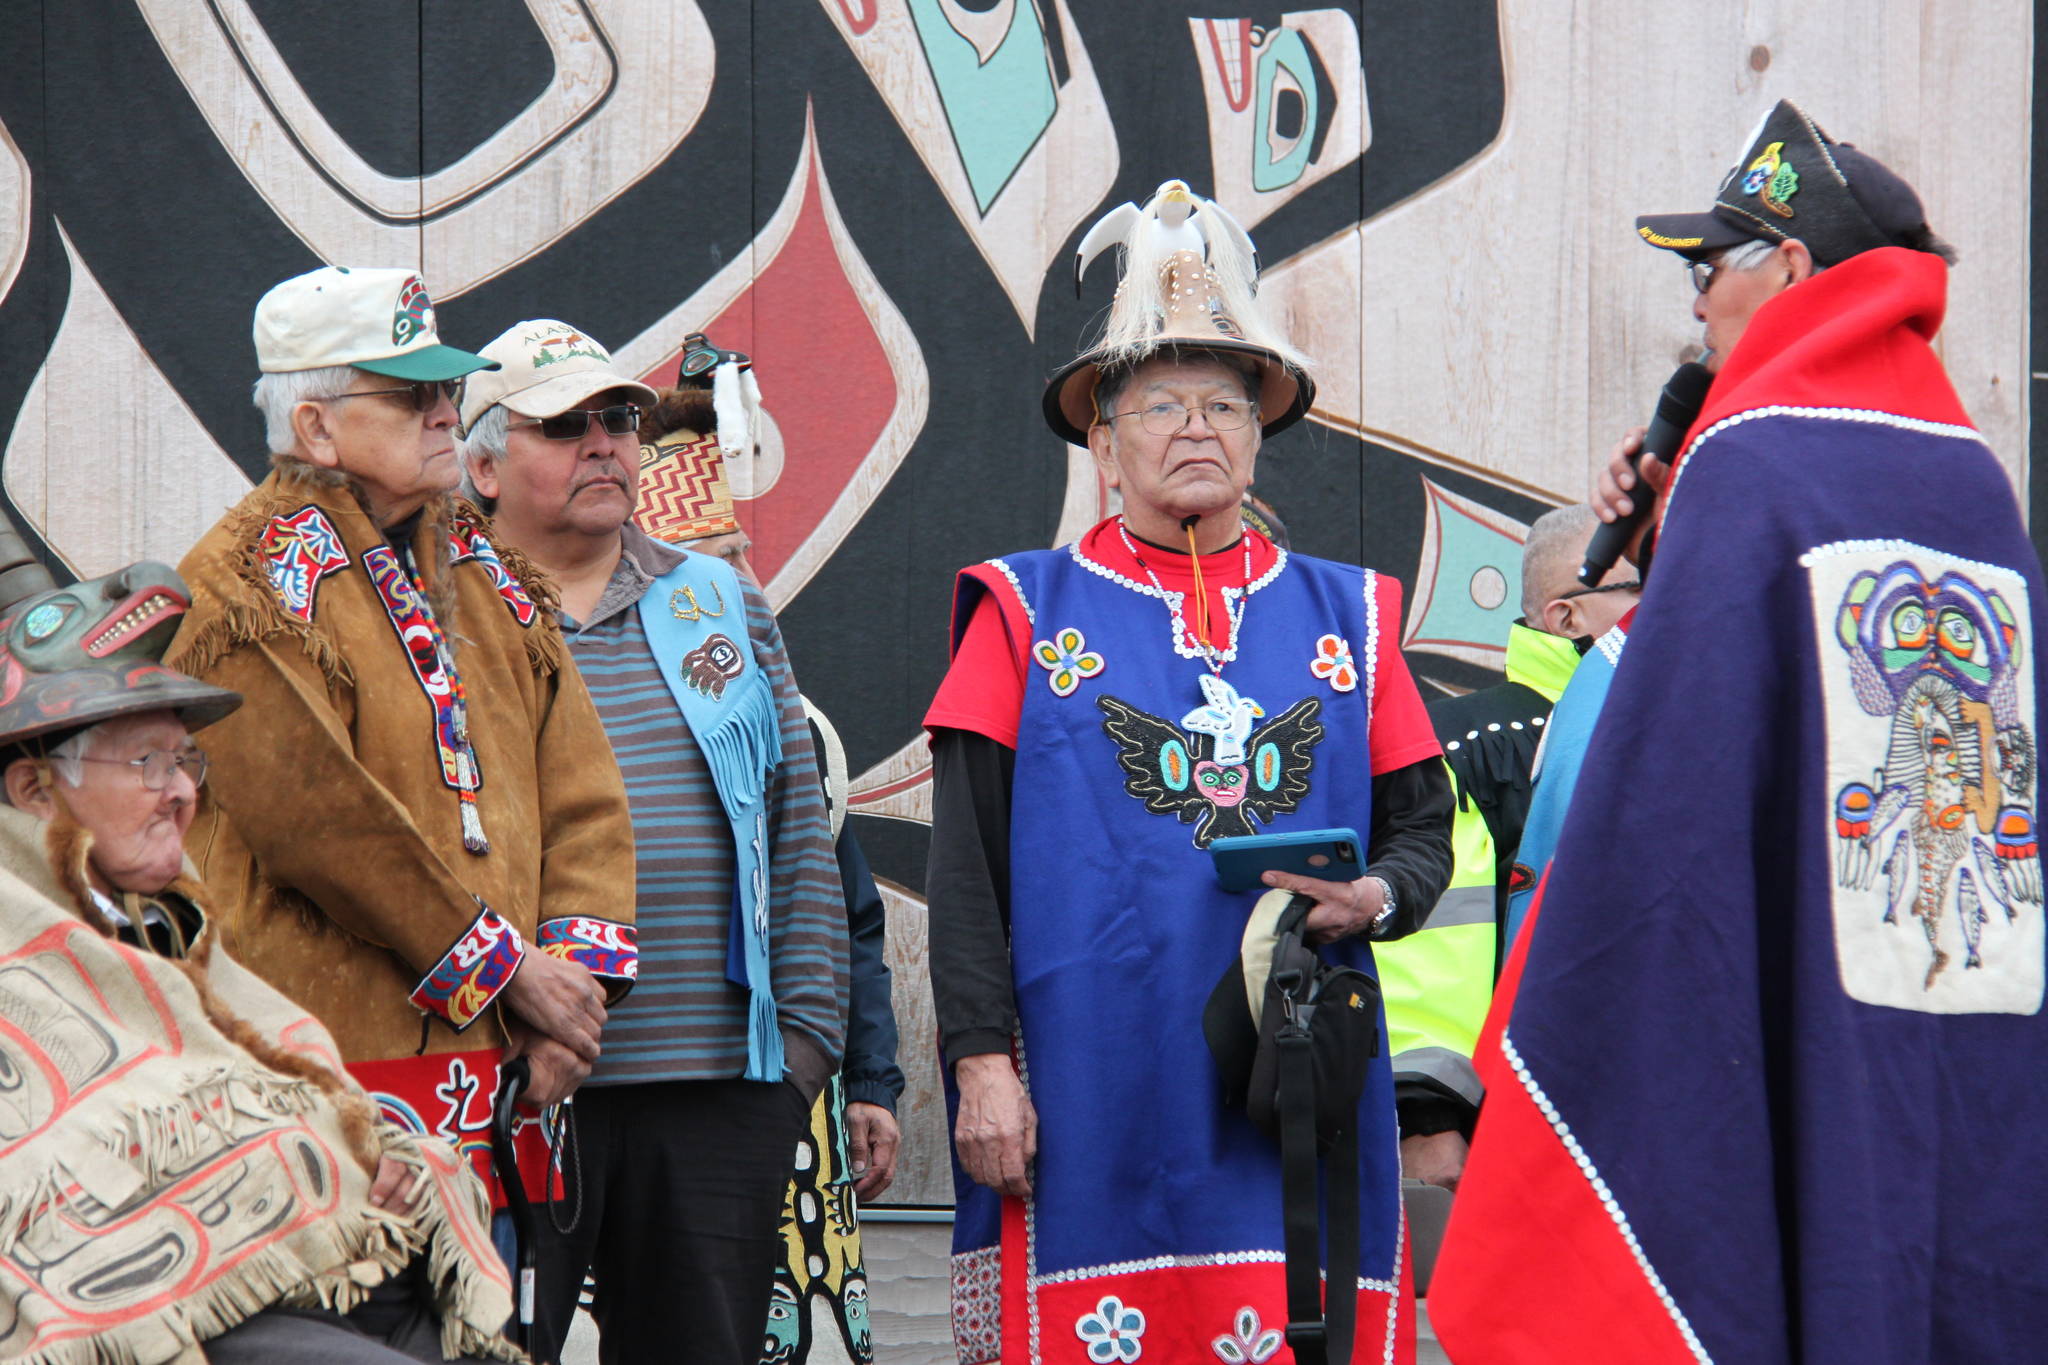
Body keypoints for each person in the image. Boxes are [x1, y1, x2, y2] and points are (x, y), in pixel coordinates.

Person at [1432, 100, 2048, 1363]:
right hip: (1966, 971)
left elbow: (1678, 789)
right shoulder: (1969, 479)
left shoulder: (1753, 461)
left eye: (1707, 270)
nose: (1695, 306)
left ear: (1793, 269)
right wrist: (1671, 530)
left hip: (1799, 983)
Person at [924, 179, 1453, 1362]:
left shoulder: (1352, 618)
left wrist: (1372, 896)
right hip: (1084, 1086)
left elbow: (1423, 830)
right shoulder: (1024, 612)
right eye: (1160, 404)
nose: (1196, 428)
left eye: (1223, 403)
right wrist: (978, 1066)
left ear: (1259, 434)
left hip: (1294, 1084)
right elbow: (963, 876)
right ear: (1102, 443)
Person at [165, 269, 638, 1228]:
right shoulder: (240, 584)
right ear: (314, 427)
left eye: (447, 389)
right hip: (326, 1072)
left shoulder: (486, 562)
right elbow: (320, 825)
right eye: (413, 394)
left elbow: (585, 794)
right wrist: (513, 973)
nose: (445, 413)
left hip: (502, 1073)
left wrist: (567, 1004)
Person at [0, 560, 516, 1364]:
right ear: (35, 791)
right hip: (191, 1315)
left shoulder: (171, 934)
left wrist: (384, 1161)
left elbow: (307, 1103)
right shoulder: (21, 969)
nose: (182, 791)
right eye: (147, 763)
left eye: (185, 760)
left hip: (338, 1272)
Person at [458, 320, 848, 1365]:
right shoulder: (441, 615)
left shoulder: (715, 597)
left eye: (619, 419)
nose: (604, 443)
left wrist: (801, 1054)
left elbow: (796, 829)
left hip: (716, 1094)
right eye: (564, 425)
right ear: (483, 466)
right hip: (506, 1080)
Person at [634, 340, 905, 1365]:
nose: (735, 586)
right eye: (706, 568)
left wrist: (869, 1079)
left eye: (738, 560)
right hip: (652, 1090)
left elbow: (850, 918)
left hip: (796, 1099)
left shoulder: (798, 722)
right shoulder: (591, 710)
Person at [1375, 504, 1637, 1192]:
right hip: (1509, 1125)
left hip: (1648, 1110)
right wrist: (1427, 1118)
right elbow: (1425, 938)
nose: (1663, 604)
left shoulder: (1678, 733)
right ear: (1566, 617)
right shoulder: (1466, 743)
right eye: (1638, 587)